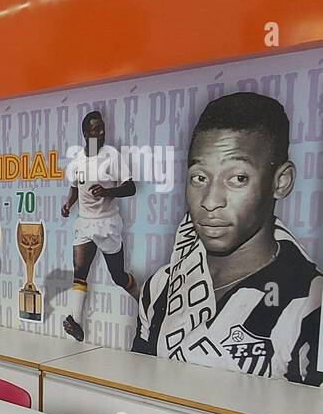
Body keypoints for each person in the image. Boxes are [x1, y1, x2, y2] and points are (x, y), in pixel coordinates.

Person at [133, 92, 321, 384]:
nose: (210, 201)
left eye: (238, 178)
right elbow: (138, 386)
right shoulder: (161, 285)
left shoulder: (311, 301)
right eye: (199, 177)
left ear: (280, 182)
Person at [61, 111, 140, 341]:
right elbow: (76, 186)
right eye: (96, 130)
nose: (101, 133)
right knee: (79, 271)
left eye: (103, 128)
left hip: (108, 223)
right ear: (86, 134)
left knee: (117, 276)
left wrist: (108, 191)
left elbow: (130, 188)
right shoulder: (77, 162)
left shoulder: (111, 156)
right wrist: (68, 203)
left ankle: (143, 298)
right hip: (85, 223)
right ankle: (75, 322)